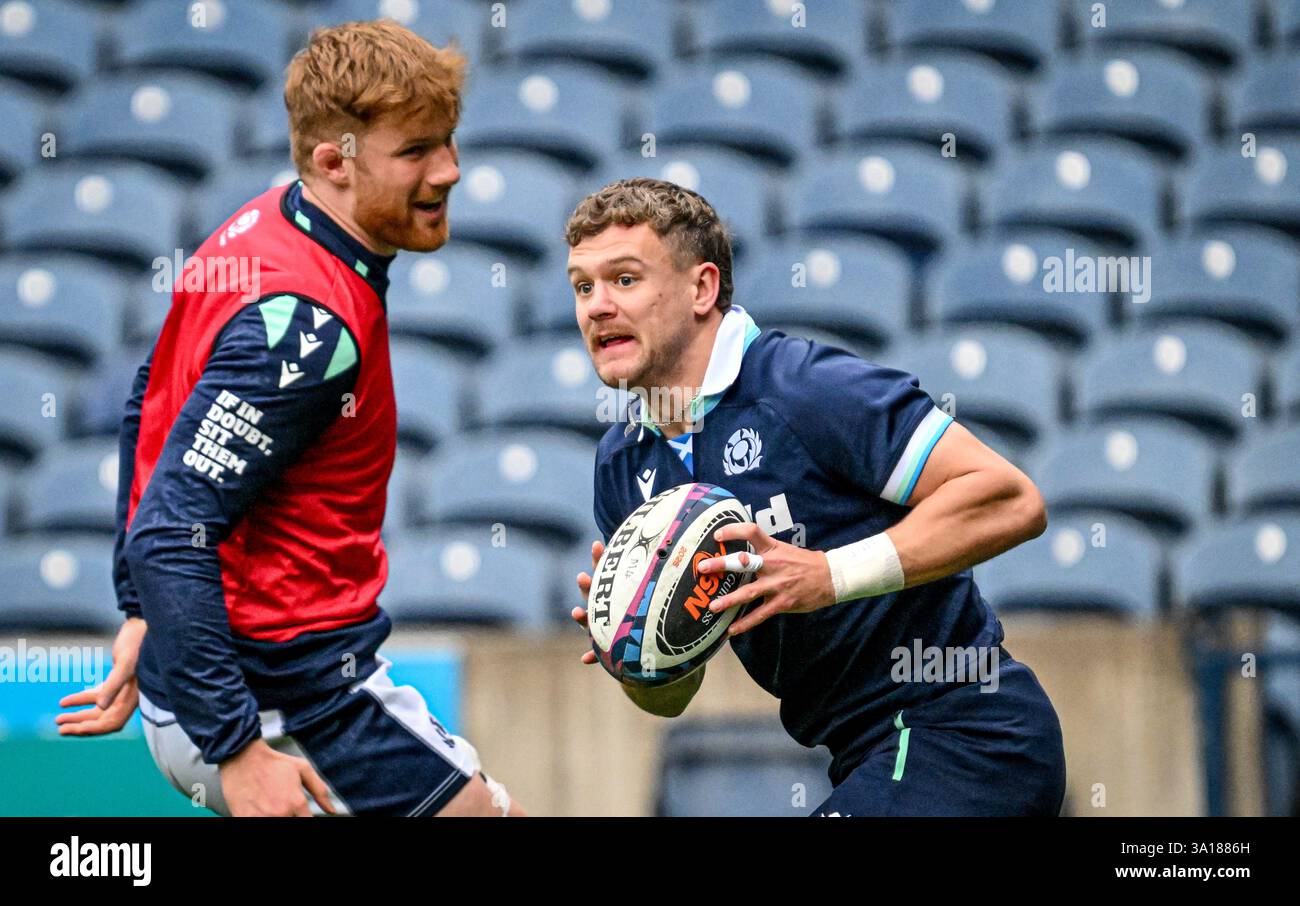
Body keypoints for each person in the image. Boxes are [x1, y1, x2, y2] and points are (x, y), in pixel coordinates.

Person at [55, 19, 521, 818]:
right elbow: (172, 530)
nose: (450, 170)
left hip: (217, 683)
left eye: (448, 141)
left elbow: (153, 396)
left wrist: (142, 611)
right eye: (416, 151)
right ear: (333, 162)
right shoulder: (307, 329)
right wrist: (239, 751)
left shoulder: (266, 222)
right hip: (289, 699)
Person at [567, 178, 1066, 816]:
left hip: (967, 731)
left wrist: (828, 574)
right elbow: (671, 699)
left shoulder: (804, 389)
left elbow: (1010, 499)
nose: (597, 306)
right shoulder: (621, 467)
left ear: (702, 288)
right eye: (583, 286)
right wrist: (632, 652)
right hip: (863, 754)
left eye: (625, 279)